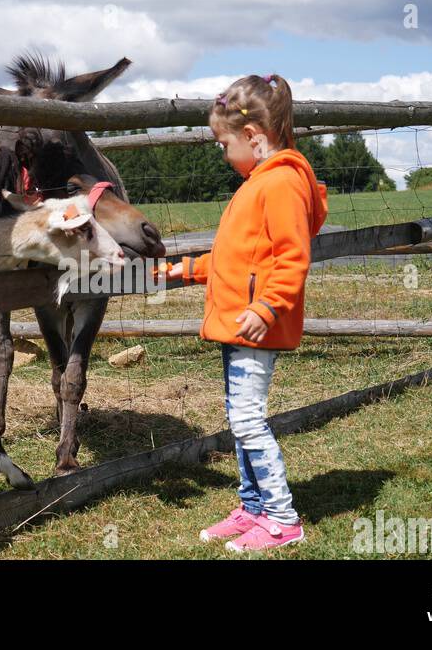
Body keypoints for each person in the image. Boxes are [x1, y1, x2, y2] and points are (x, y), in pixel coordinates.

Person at [163, 74, 328, 552]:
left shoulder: (278, 185)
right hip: (240, 323)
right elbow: (238, 258)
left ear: (254, 137)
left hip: (256, 324)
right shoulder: (260, 183)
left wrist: (268, 306)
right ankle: (253, 507)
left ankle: (282, 518)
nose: (222, 153)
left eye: (224, 143)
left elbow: (291, 257)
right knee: (240, 419)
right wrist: (184, 271)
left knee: (248, 421)